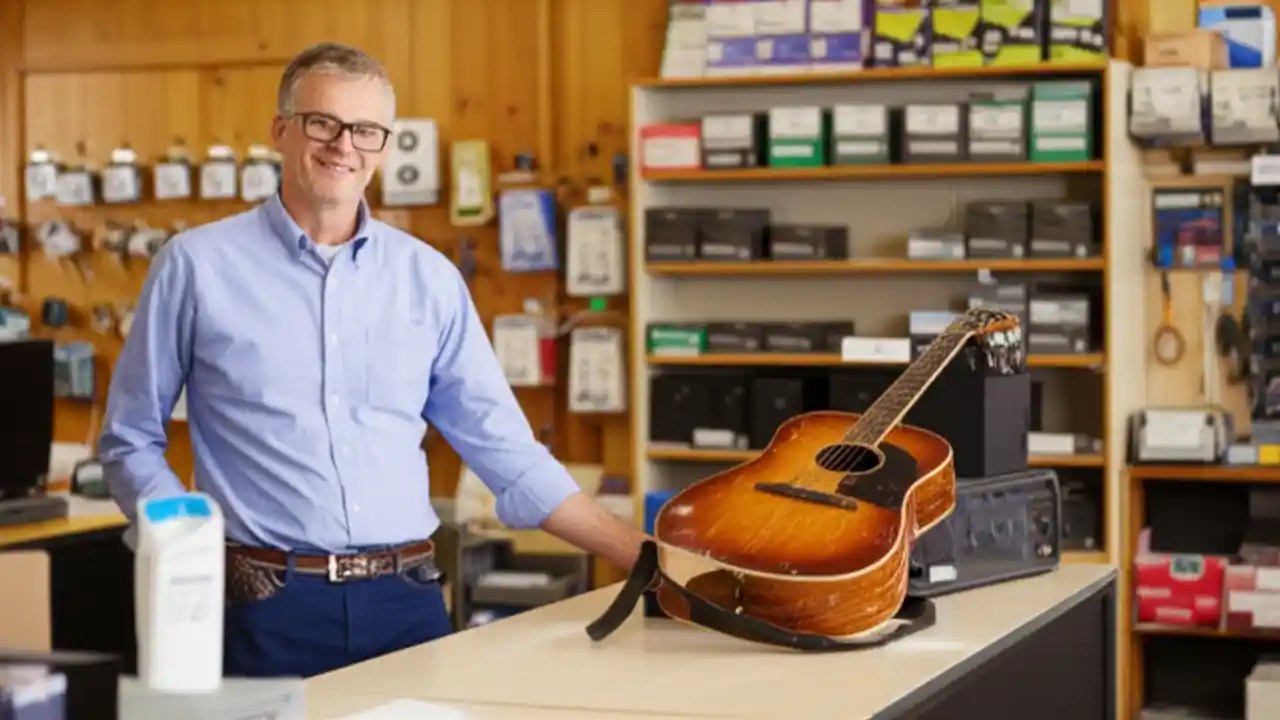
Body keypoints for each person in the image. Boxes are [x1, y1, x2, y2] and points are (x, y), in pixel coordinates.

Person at [97, 42, 647, 679]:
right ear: (281, 130)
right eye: (322, 123)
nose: (342, 146)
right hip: (259, 605)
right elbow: (130, 440)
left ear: (385, 146)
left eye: (365, 130)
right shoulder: (196, 266)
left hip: (406, 603)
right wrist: (191, 541)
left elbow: (507, 453)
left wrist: (639, 553)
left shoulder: (429, 280)